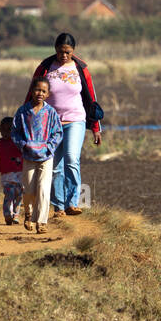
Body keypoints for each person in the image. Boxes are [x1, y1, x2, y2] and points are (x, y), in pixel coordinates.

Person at [26, 33, 100, 218]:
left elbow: (91, 99)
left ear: (73, 51)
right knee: (55, 165)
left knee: (72, 159)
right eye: (60, 52)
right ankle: (59, 207)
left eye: (67, 52)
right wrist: (26, 120)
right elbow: (32, 94)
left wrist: (96, 128)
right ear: (55, 49)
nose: (64, 55)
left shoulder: (81, 68)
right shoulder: (45, 67)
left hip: (76, 120)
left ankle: (72, 203)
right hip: (50, 123)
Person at [14, 78, 62, 234]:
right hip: (28, 156)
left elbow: (58, 132)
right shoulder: (22, 111)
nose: (40, 93)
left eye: (43, 91)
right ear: (31, 91)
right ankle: (28, 214)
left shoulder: (51, 112)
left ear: (48, 94)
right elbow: (15, 132)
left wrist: (49, 147)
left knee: (43, 189)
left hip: (46, 157)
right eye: (37, 90)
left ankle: (41, 221)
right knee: (28, 189)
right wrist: (24, 145)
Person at [0, 116, 24, 226]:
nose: (6, 132)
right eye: (3, 129)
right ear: (0, 130)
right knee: (9, 195)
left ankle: (16, 215)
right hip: (7, 178)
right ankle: (7, 214)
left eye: (9, 129)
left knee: (19, 197)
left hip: (21, 176)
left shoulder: (19, 143)